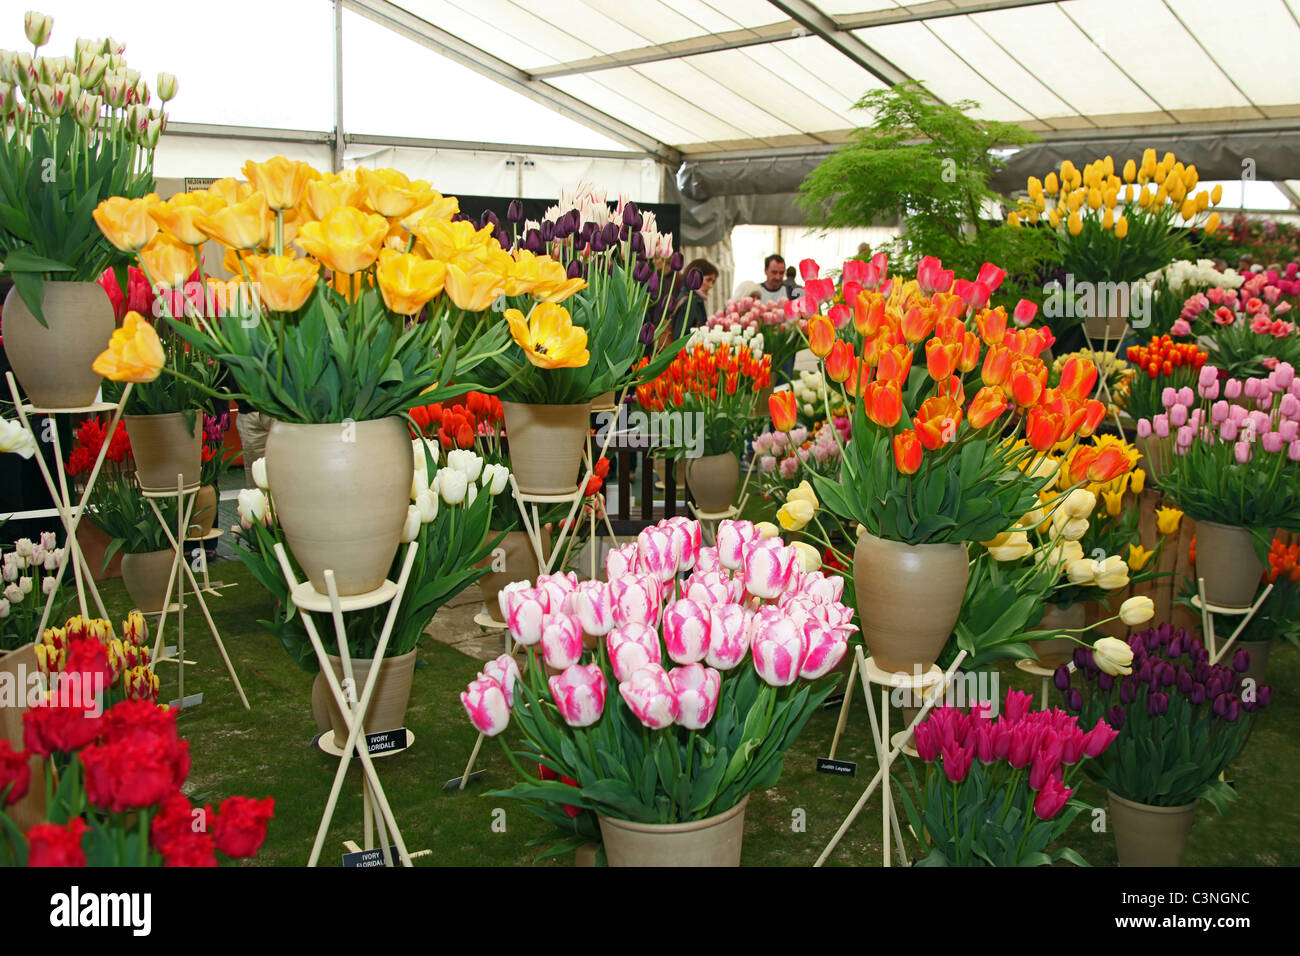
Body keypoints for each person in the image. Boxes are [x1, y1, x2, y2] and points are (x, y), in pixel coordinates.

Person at [671, 258, 718, 340]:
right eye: (708, 280)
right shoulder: (689, 302)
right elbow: (681, 337)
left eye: (713, 281)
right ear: (695, 277)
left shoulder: (695, 299)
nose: (711, 286)